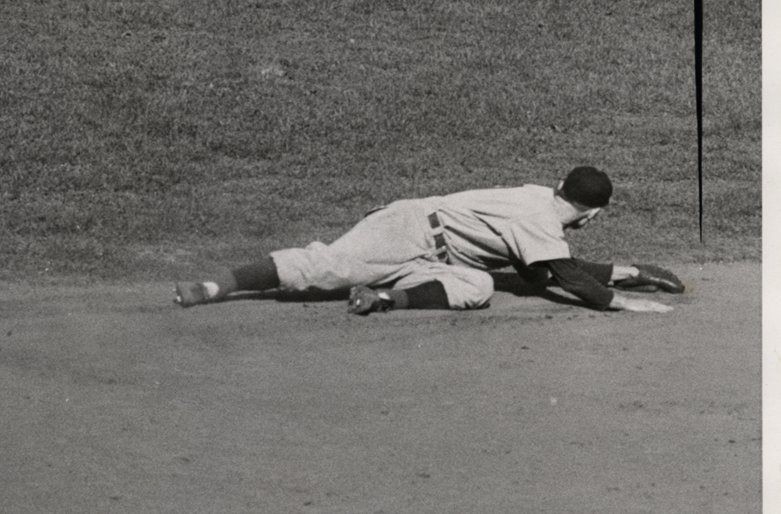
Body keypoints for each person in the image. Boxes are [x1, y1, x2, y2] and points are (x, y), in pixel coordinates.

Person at [174, 166, 684, 315]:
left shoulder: (539, 202)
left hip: (434, 258)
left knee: (478, 288)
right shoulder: (539, 223)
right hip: (407, 229)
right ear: (592, 214)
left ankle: (384, 299)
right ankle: (219, 285)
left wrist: (629, 271)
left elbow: (544, 270)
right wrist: (619, 299)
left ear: (559, 187)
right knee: (326, 269)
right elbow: (564, 275)